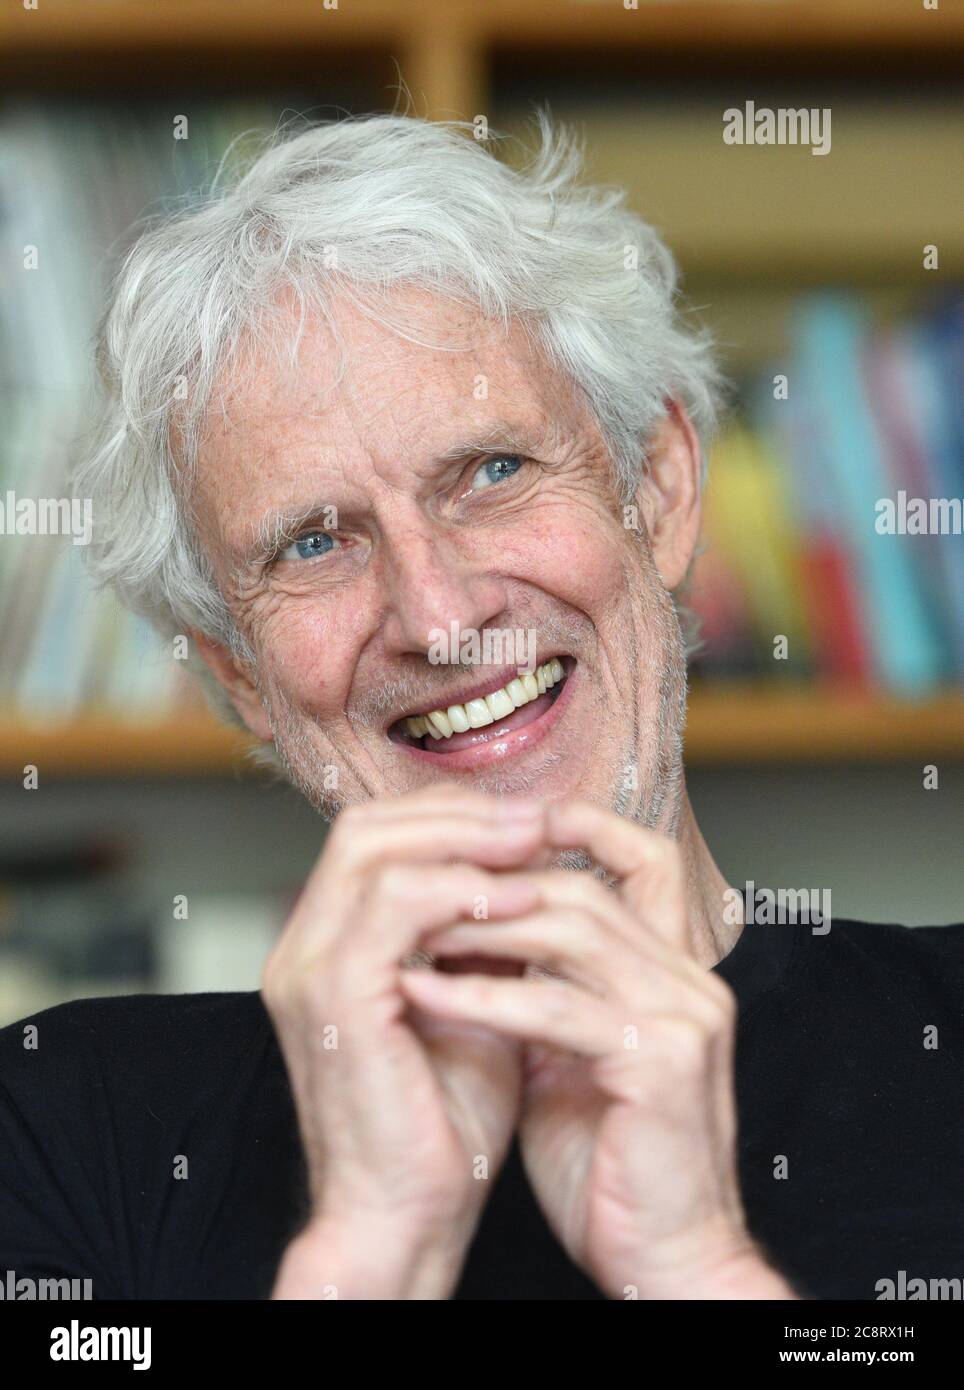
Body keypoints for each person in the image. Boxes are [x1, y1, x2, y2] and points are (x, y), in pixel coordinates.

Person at [1, 114, 961, 1301]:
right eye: (313, 542)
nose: (439, 614)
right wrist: (375, 1254)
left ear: (657, 487)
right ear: (238, 670)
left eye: (492, 472)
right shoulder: (55, 1130)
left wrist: (693, 1270)